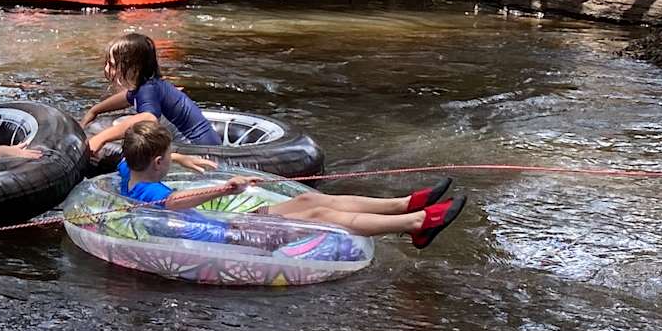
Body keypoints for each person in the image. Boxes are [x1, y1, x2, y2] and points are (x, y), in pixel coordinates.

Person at [113, 116, 465, 248]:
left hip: (229, 226)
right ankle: (415, 224)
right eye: (170, 156)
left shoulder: (129, 172)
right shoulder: (153, 192)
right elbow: (173, 203)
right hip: (234, 239)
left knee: (309, 201)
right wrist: (225, 187)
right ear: (157, 162)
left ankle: (404, 204)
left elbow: (136, 157)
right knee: (316, 218)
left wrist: (182, 158)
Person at [84, 33, 219, 162]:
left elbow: (148, 118)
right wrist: (95, 110)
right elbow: (126, 97)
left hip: (199, 151)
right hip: (199, 146)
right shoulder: (147, 85)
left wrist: (101, 138)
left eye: (112, 65)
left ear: (134, 68)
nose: (107, 69)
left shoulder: (148, 89)